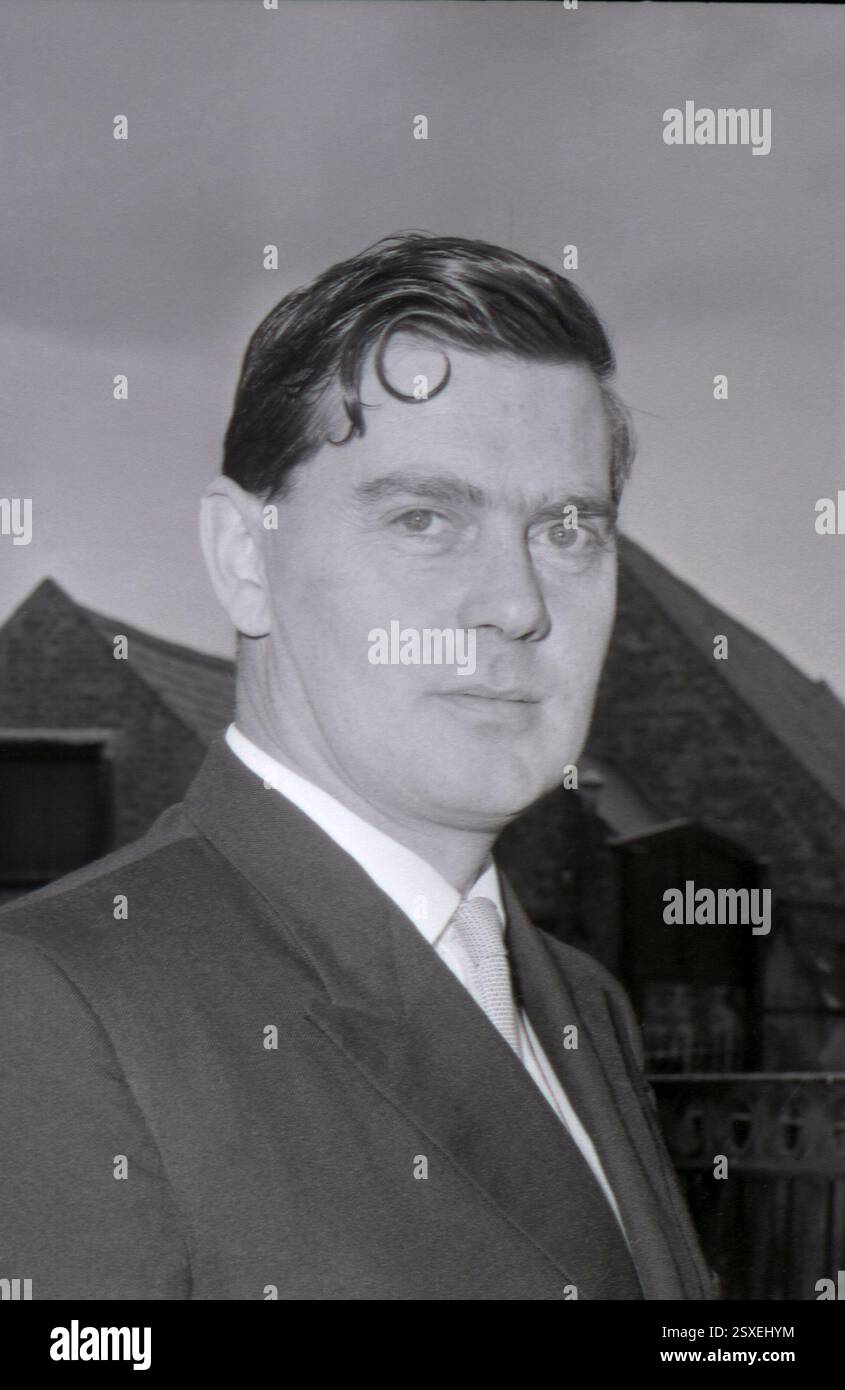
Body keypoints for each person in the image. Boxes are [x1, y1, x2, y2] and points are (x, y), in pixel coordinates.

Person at [0, 233, 715, 1299]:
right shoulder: (53, 1008)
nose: (518, 605)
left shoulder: (579, 1003)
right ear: (247, 560)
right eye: (424, 518)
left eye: (566, 531)